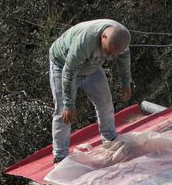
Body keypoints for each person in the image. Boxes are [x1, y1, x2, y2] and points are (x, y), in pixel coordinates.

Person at [49, 19, 132, 163]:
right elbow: (69, 72)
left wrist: (126, 83)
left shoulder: (121, 37)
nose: (110, 56)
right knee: (63, 111)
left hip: (91, 68)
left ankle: (110, 139)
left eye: (113, 54)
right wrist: (69, 104)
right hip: (63, 65)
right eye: (108, 52)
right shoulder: (85, 40)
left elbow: (124, 58)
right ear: (103, 37)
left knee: (105, 102)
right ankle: (60, 155)